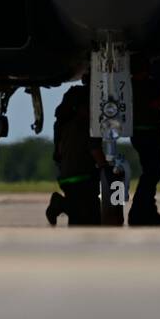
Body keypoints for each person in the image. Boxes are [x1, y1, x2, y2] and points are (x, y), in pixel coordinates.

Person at [45, 85, 104, 226]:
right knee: (89, 216)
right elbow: (95, 150)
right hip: (82, 178)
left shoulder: (63, 125)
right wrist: (105, 168)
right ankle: (61, 203)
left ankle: (64, 203)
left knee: (81, 219)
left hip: (67, 177)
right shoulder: (87, 126)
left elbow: (59, 152)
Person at [129, 74, 160, 226]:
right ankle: (140, 212)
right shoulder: (141, 87)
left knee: (152, 172)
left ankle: (146, 211)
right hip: (147, 134)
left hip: (145, 134)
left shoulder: (133, 85)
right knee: (152, 173)